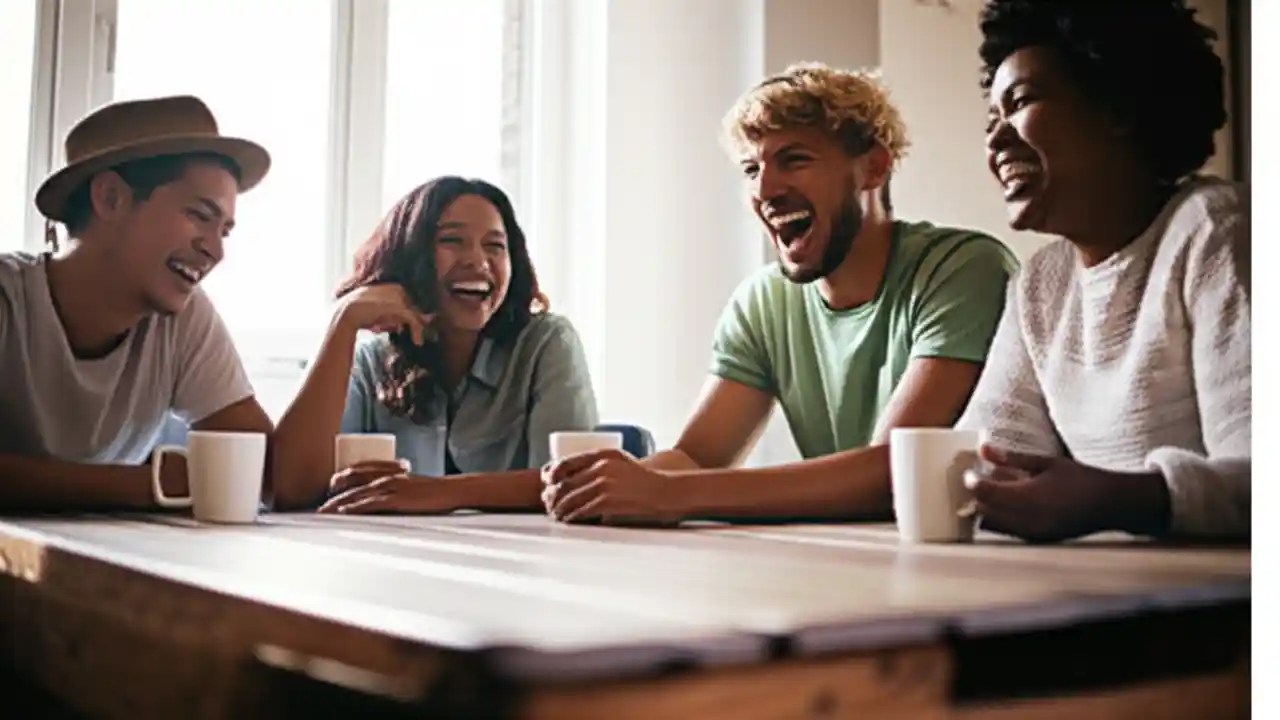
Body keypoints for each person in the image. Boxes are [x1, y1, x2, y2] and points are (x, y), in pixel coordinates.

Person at [542, 63, 1018, 525]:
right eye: (751, 169)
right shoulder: (763, 302)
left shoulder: (961, 269)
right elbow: (695, 457)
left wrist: (671, 494)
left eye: (794, 159)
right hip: (855, 559)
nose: (765, 188)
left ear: (874, 168)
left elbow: (890, 472)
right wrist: (600, 484)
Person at [957, 0, 1250, 542]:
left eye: (1020, 102)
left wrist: (1122, 499)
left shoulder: (1217, 230)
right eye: (991, 120)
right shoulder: (1041, 284)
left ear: (1116, 107)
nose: (995, 142)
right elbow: (990, 453)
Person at [0, 95, 276, 511]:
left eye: (225, 230)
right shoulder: (8, 299)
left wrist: (344, 324)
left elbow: (268, 473)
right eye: (200, 216)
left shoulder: (183, 318)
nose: (216, 251)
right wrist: (149, 485)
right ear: (111, 198)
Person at [270, 176, 599, 513]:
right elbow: (287, 488)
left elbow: (575, 482)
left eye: (495, 246)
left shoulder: (547, 343)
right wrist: (343, 322)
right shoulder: (371, 358)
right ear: (410, 258)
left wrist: (439, 492)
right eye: (452, 240)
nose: (477, 261)